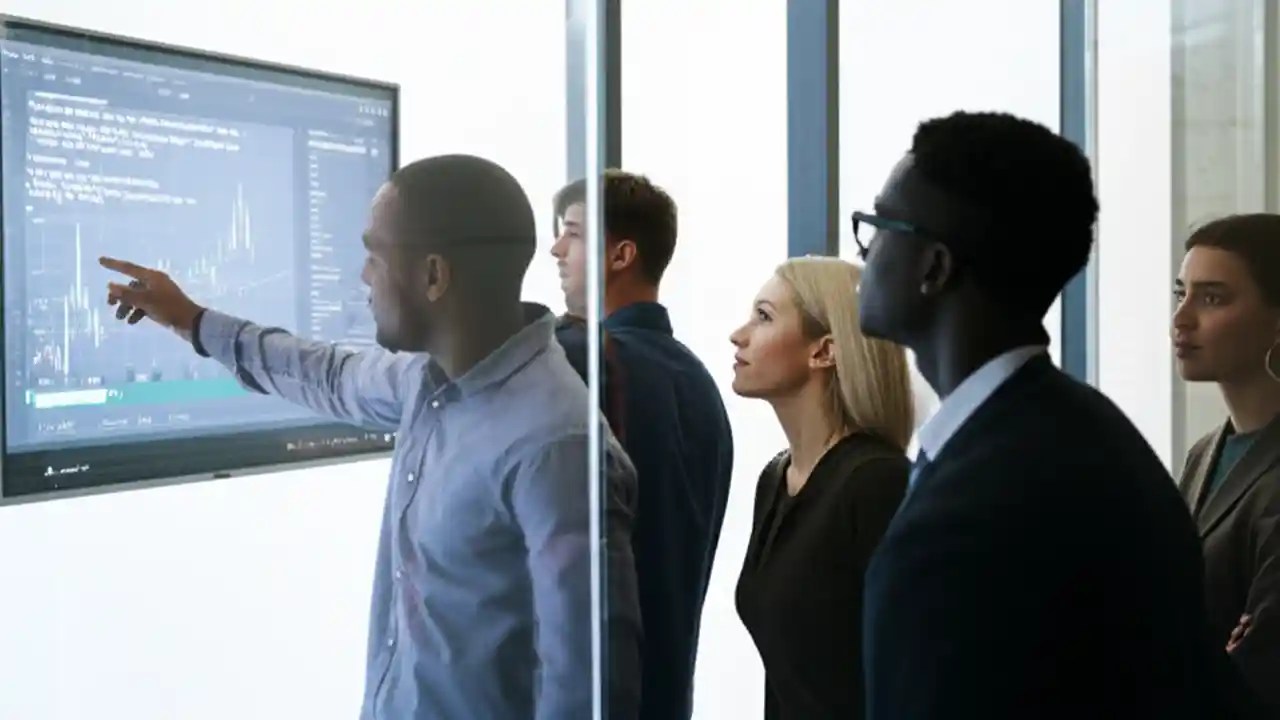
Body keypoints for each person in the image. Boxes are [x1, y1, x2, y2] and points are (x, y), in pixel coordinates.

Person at [100, 154, 642, 720]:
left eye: (375, 256)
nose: (364, 277)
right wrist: (190, 319)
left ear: (434, 275)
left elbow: (588, 694)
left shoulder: (554, 446)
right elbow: (325, 374)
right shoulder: (426, 382)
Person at [854, 111, 1225, 719]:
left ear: (935, 267)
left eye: (879, 227)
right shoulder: (1088, 434)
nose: (865, 255)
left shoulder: (967, 514)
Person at [550, 170, 734, 720]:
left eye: (575, 234)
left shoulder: (584, 364)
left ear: (621, 254)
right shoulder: (699, 385)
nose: (556, 248)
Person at [729, 256, 912, 719]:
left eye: (764, 317)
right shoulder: (776, 478)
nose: (739, 334)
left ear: (824, 350)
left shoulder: (878, 484)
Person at [1173, 213, 1280, 715]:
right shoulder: (1204, 453)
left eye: (1212, 298)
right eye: (1182, 294)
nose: (1182, 319)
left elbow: (1262, 661)